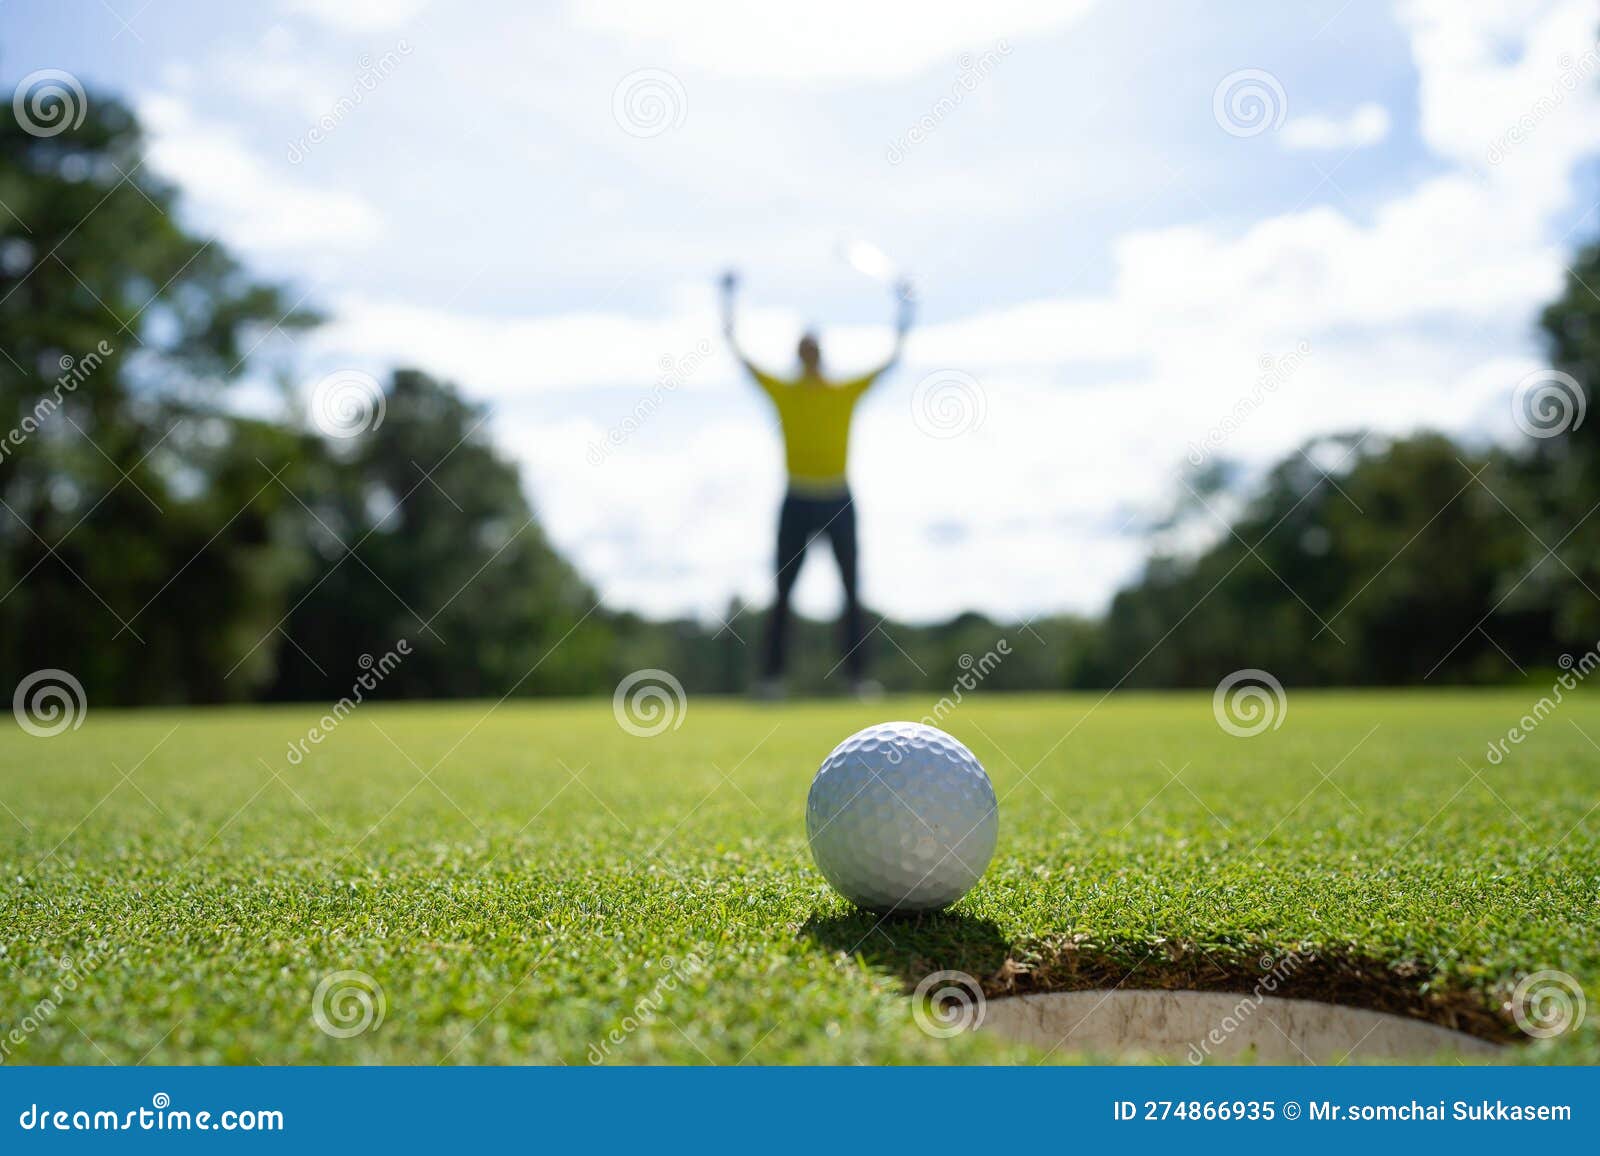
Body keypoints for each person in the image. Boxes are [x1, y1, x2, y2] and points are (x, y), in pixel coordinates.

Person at [720, 269, 914, 698]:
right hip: (797, 499)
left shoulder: (844, 391)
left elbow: (893, 356)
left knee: (851, 591)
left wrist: (905, 308)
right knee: (784, 593)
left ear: (820, 354)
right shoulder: (783, 392)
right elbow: (735, 348)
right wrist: (728, 300)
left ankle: (858, 679)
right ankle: (771, 680)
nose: (807, 356)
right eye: (802, 350)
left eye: (812, 350)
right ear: (798, 355)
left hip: (838, 499)